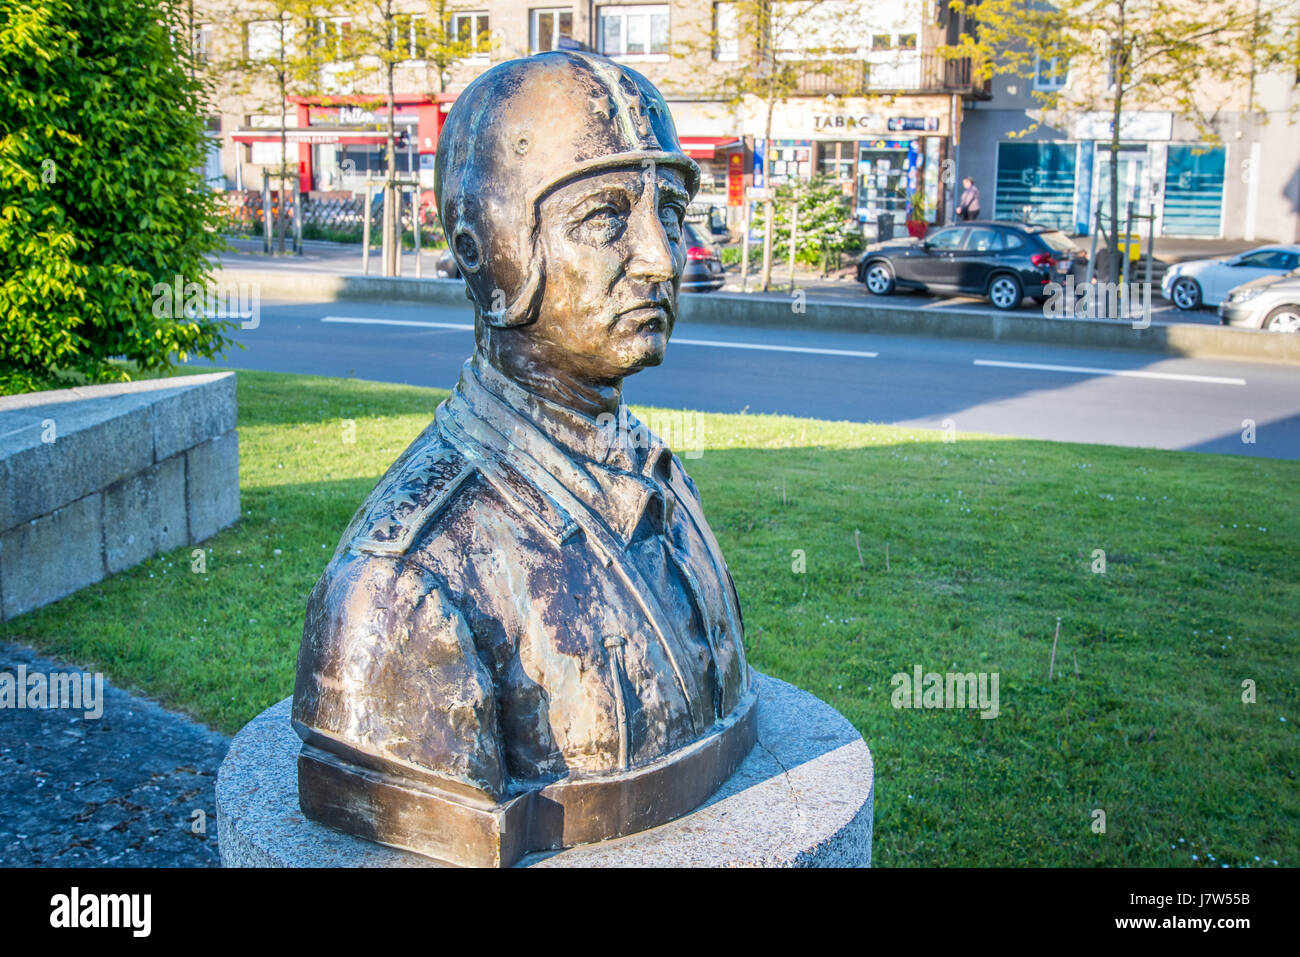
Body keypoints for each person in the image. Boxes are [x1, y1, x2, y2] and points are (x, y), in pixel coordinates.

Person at [291, 51, 755, 866]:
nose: (663, 257)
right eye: (607, 217)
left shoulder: (659, 482)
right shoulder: (402, 589)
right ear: (490, 254)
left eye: (671, 213)